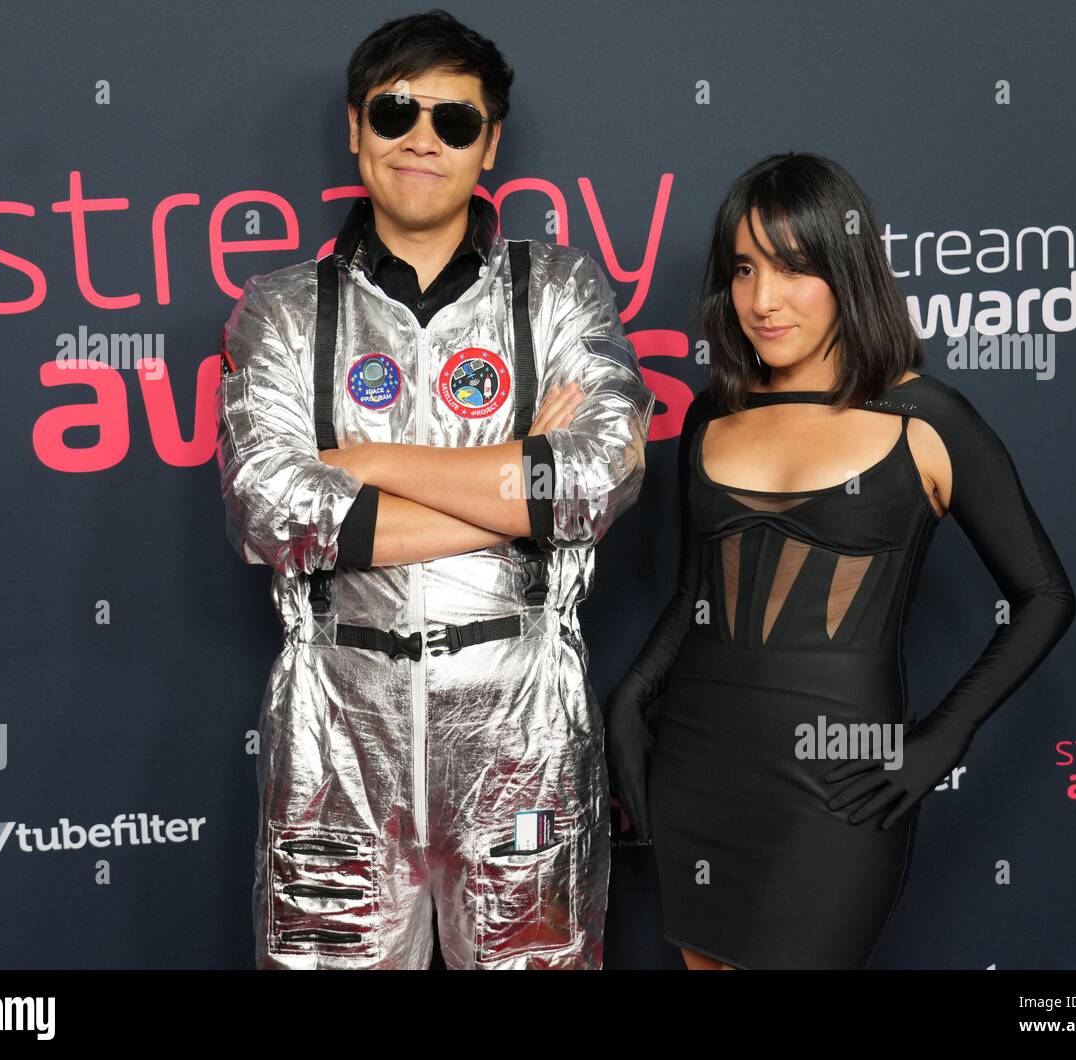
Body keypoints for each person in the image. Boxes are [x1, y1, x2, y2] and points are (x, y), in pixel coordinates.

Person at [217, 10, 653, 969]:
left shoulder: (560, 293)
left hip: (521, 729)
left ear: (491, 143)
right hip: (337, 729)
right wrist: (519, 495)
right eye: (396, 112)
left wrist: (364, 464)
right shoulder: (284, 312)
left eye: (455, 121)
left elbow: (593, 480)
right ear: (354, 128)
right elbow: (276, 507)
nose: (423, 138)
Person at [605, 152, 1076, 970]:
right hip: (698, 766)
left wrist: (940, 741)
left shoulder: (924, 417)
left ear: (848, 271)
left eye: (794, 269)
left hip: (841, 780)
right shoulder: (718, 413)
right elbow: (695, 595)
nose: (762, 300)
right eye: (745, 269)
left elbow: (1043, 596)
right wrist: (627, 704)